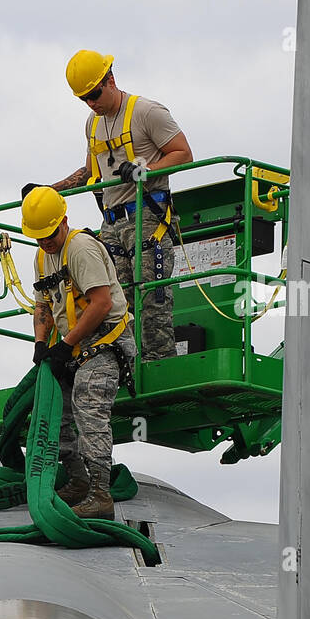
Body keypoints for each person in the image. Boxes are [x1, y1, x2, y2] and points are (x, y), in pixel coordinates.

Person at [27, 50, 192, 362]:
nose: (91, 103)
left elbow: (183, 153)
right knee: (118, 302)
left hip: (146, 217)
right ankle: (125, 364)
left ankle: (158, 366)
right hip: (112, 224)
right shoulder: (93, 124)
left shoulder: (146, 112)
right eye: (84, 98)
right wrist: (48, 191)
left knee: (153, 297)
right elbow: (89, 172)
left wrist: (144, 169)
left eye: (94, 94)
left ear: (110, 79)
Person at [23, 187, 134, 519]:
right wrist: (42, 344)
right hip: (71, 347)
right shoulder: (43, 257)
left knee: (87, 401)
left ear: (64, 222)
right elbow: (43, 305)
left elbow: (100, 303)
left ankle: (101, 494)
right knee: (57, 409)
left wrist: (66, 344)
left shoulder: (81, 248)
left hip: (106, 343)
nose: (46, 242)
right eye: (39, 237)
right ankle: (78, 481)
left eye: (50, 234)